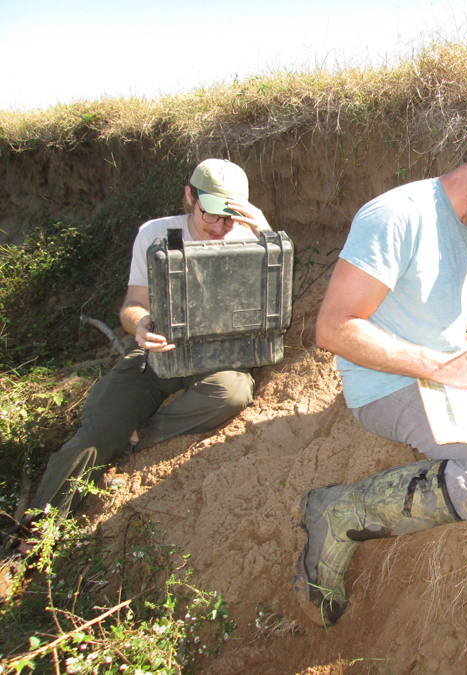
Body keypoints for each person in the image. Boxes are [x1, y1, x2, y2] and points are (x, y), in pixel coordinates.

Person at [296, 119, 467, 625]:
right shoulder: (397, 216)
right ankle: (341, 512)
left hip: (453, 374)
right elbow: (335, 328)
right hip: (393, 383)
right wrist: (441, 367)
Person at [4, 158, 271, 552]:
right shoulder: (155, 234)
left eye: (229, 219)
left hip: (220, 358)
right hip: (155, 358)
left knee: (231, 392)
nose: (219, 228)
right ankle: (31, 538)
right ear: (189, 197)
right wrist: (141, 325)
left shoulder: (252, 238)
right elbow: (131, 305)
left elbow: (271, 305)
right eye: (210, 215)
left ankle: (138, 437)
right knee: (94, 436)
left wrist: (264, 233)